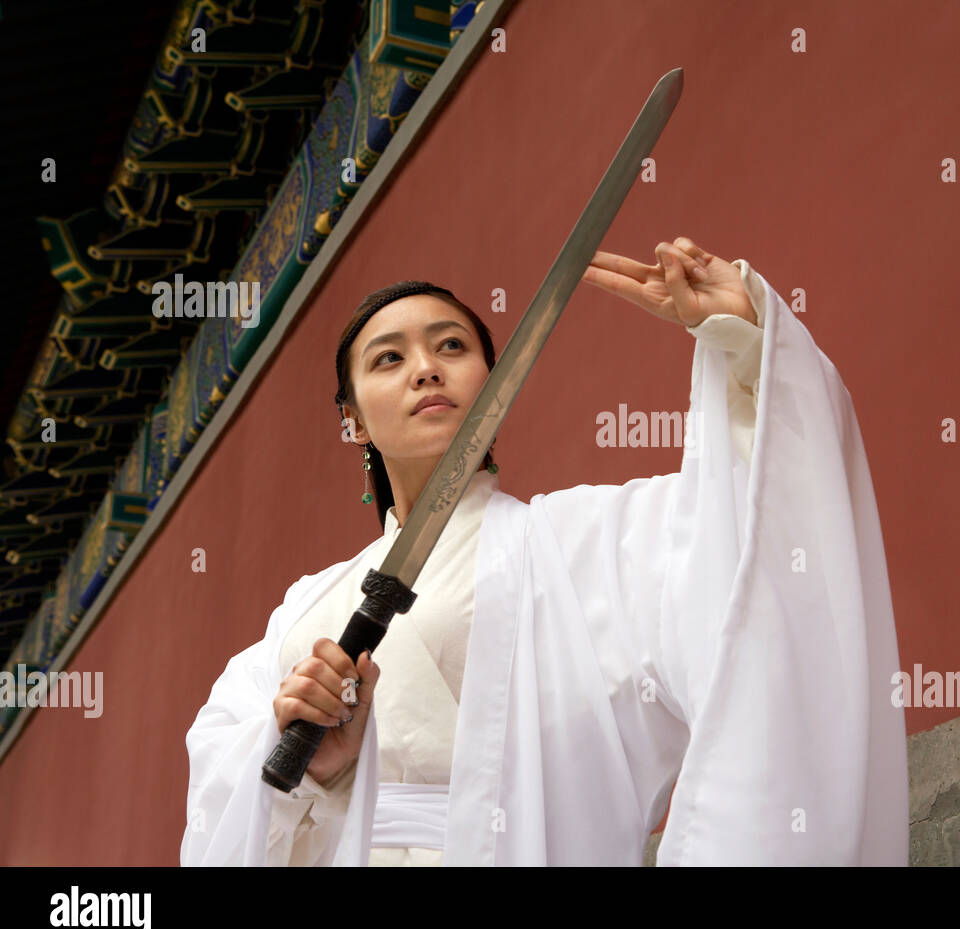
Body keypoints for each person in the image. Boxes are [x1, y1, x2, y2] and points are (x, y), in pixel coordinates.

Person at [180, 237, 908, 865]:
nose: (426, 368)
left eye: (452, 346)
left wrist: (749, 344)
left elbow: (750, 539)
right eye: (388, 359)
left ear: (494, 384)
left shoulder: (582, 542)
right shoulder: (305, 610)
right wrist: (322, 776)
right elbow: (223, 773)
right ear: (354, 421)